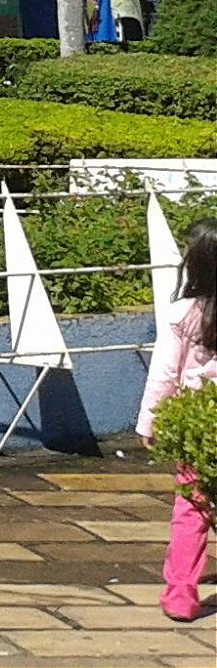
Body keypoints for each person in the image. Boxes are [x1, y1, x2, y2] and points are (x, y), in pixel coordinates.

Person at [140, 219, 217, 622]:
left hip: (198, 426)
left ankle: (182, 595)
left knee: (191, 510)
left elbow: (165, 374)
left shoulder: (182, 312)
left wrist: (149, 422)